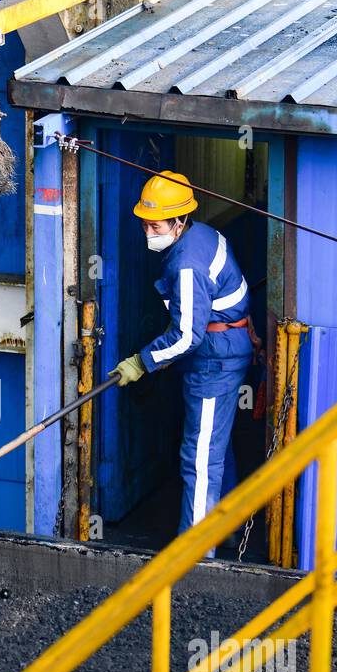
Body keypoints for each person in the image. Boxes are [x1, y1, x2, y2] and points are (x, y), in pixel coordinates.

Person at [114, 171, 255, 542]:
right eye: (144, 225)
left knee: (200, 458)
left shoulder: (188, 265)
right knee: (214, 445)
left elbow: (186, 336)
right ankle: (230, 525)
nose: (147, 233)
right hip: (223, 350)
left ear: (179, 222)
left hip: (215, 363)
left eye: (155, 225)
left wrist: (141, 363)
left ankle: (193, 556)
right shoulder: (204, 234)